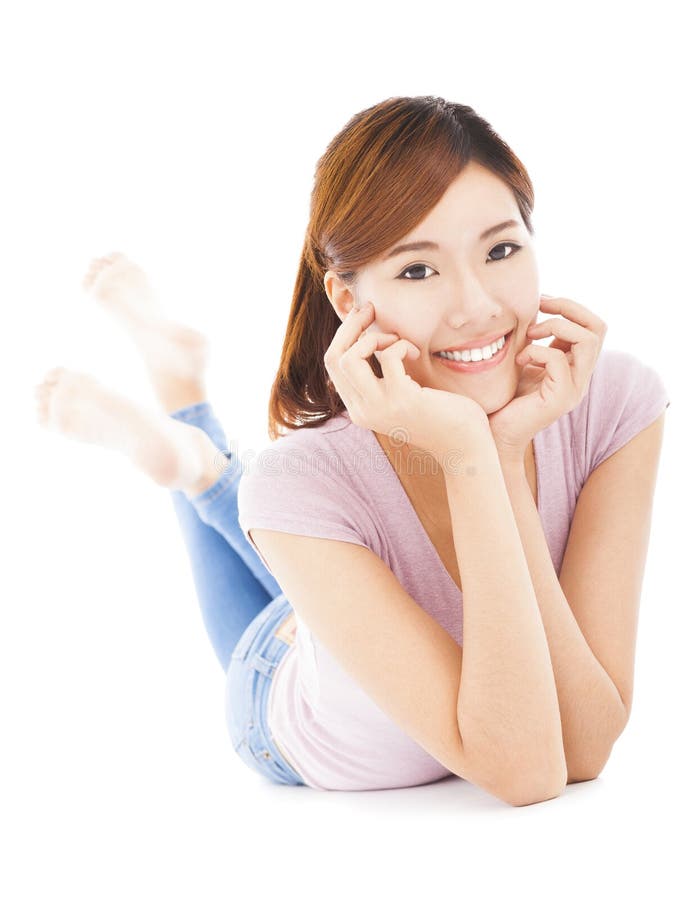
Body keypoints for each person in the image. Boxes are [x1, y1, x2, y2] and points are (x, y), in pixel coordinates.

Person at [35, 95, 670, 806]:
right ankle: (194, 455)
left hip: (344, 578)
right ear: (347, 300)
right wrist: (466, 457)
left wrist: (503, 448)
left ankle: (191, 442)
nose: (475, 305)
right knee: (274, 510)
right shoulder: (296, 483)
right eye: (417, 270)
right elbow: (525, 773)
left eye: (500, 249)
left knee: (290, 516)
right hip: (282, 678)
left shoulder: (613, 403)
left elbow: (580, 750)